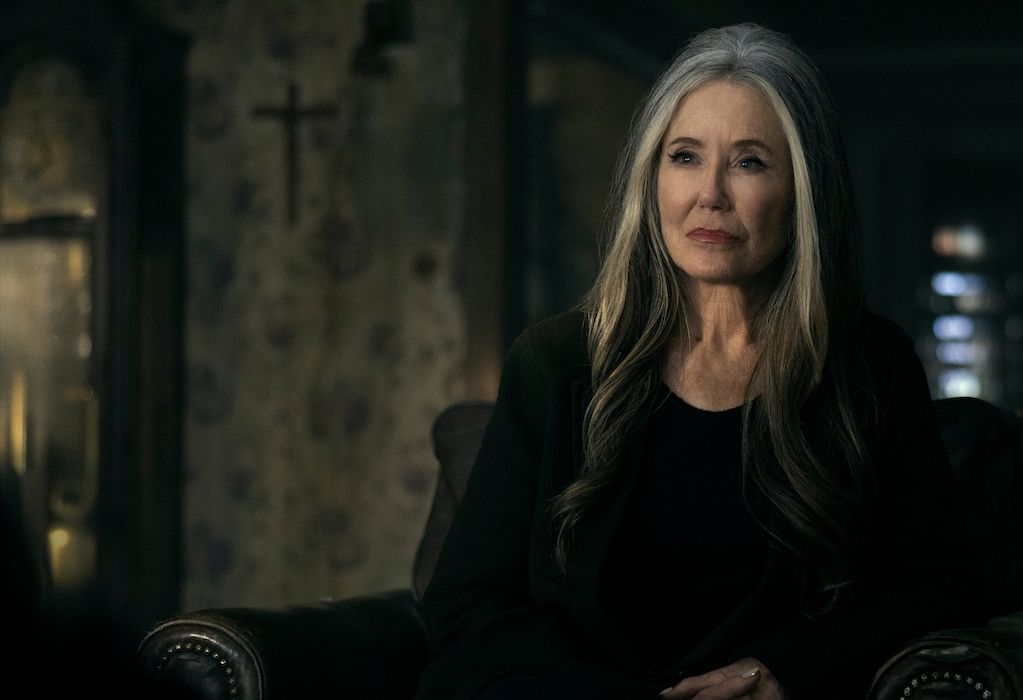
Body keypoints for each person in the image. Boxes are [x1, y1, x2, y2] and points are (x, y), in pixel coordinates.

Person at [415, 23, 987, 700]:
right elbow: (470, 601)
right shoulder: (555, 362)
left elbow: (938, 584)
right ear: (651, 179)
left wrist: (785, 668)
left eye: (750, 162)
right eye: (685, 156)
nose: (710, 194)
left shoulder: (869, 366)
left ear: (803, 190)